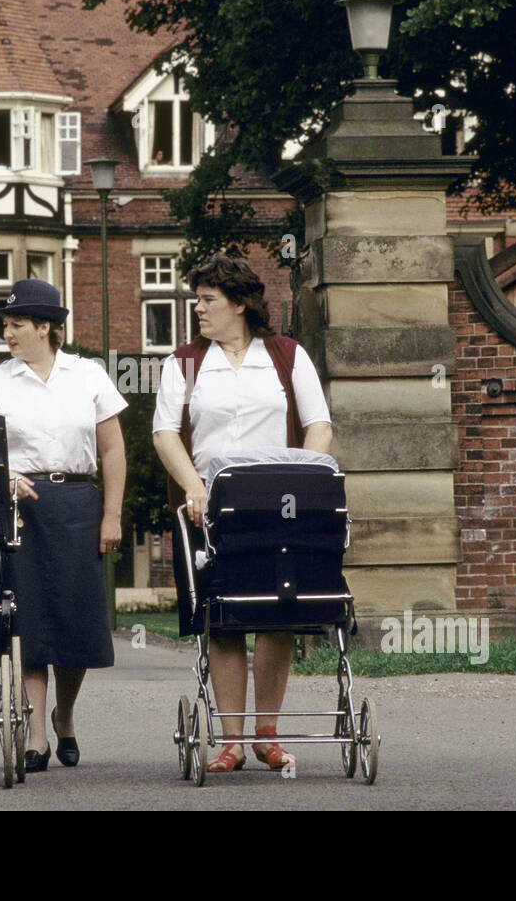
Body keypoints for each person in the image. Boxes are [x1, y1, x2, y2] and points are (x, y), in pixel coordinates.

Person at [153, 254, 333, 772]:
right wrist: (192, 486)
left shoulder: (287, 356)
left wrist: (302, 475)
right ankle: (230, 740)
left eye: (208, 299)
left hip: (279, 504)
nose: (198, 309)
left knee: (277, 615)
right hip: (209, 505)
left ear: (239, 303)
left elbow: (319, 424)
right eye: (197, 299)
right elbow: (165, 432)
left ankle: (267, 735)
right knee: (225, 617)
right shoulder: (183, 362)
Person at [0, 278, 126, 772]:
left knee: (75, 621)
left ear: (47, 327)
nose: (8, 334)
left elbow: (113, 448)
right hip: (20, 506)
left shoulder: (88, 375)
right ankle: (35, 734)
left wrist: (112, 514)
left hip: (78, 503)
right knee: (27, 621)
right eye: (6, 325)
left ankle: (65, 716)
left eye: (17, 325)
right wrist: (4, 472)